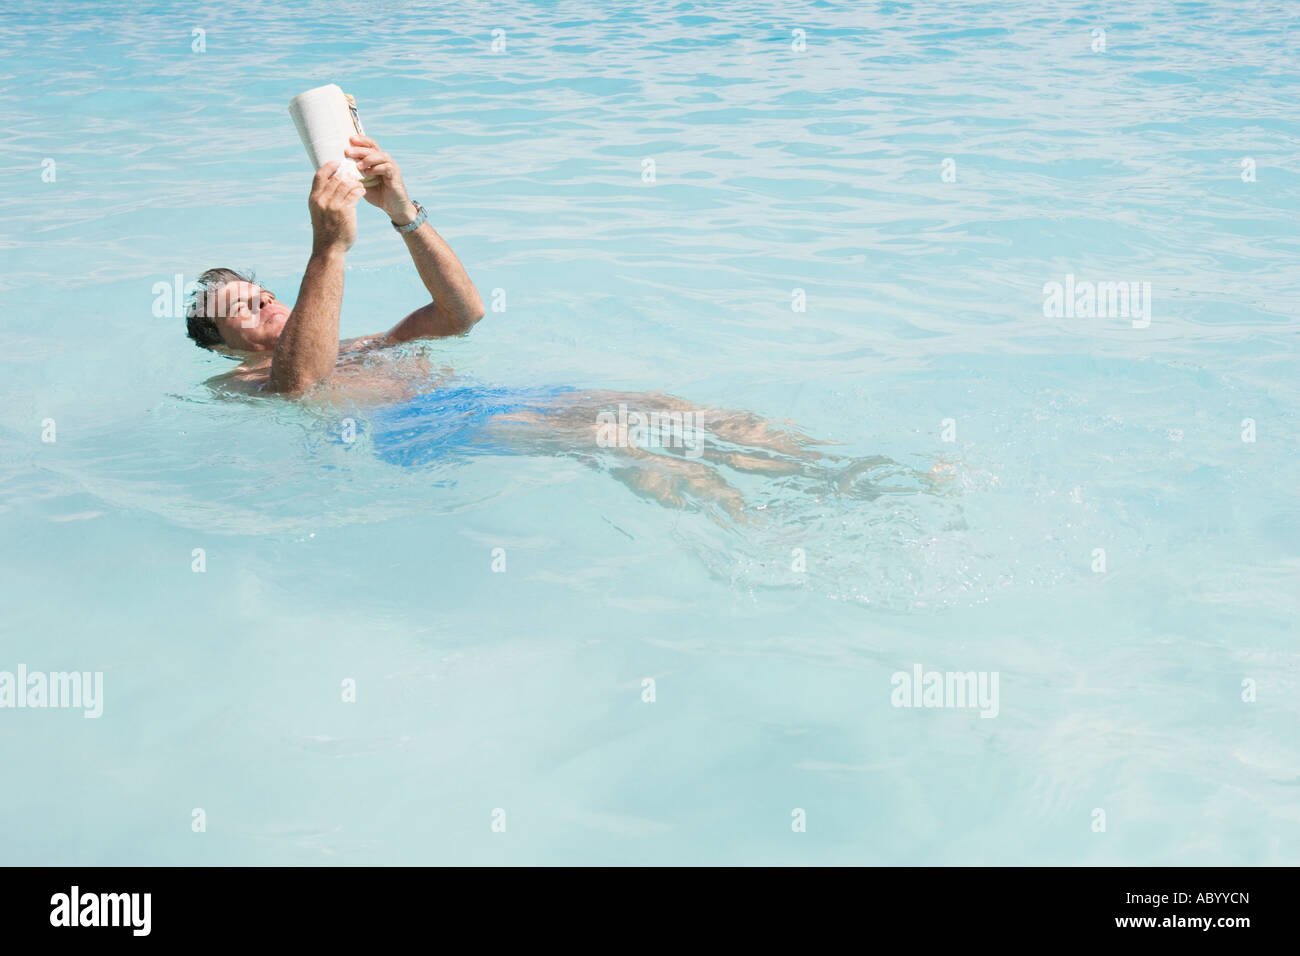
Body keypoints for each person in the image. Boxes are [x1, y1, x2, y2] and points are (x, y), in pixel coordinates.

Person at [185, 138, 946, 517]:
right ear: (220, 346)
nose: (267, 307)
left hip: (489, 397)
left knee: (670, 410)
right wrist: (330, 246)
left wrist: (401, 211)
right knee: (609, 438)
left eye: (264, 294)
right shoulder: (242, 385)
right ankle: (765, 535)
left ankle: (863, 480)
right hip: (425, 431)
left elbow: (462, 316)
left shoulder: (358, 345)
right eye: (242, 312)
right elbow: (302, 389)